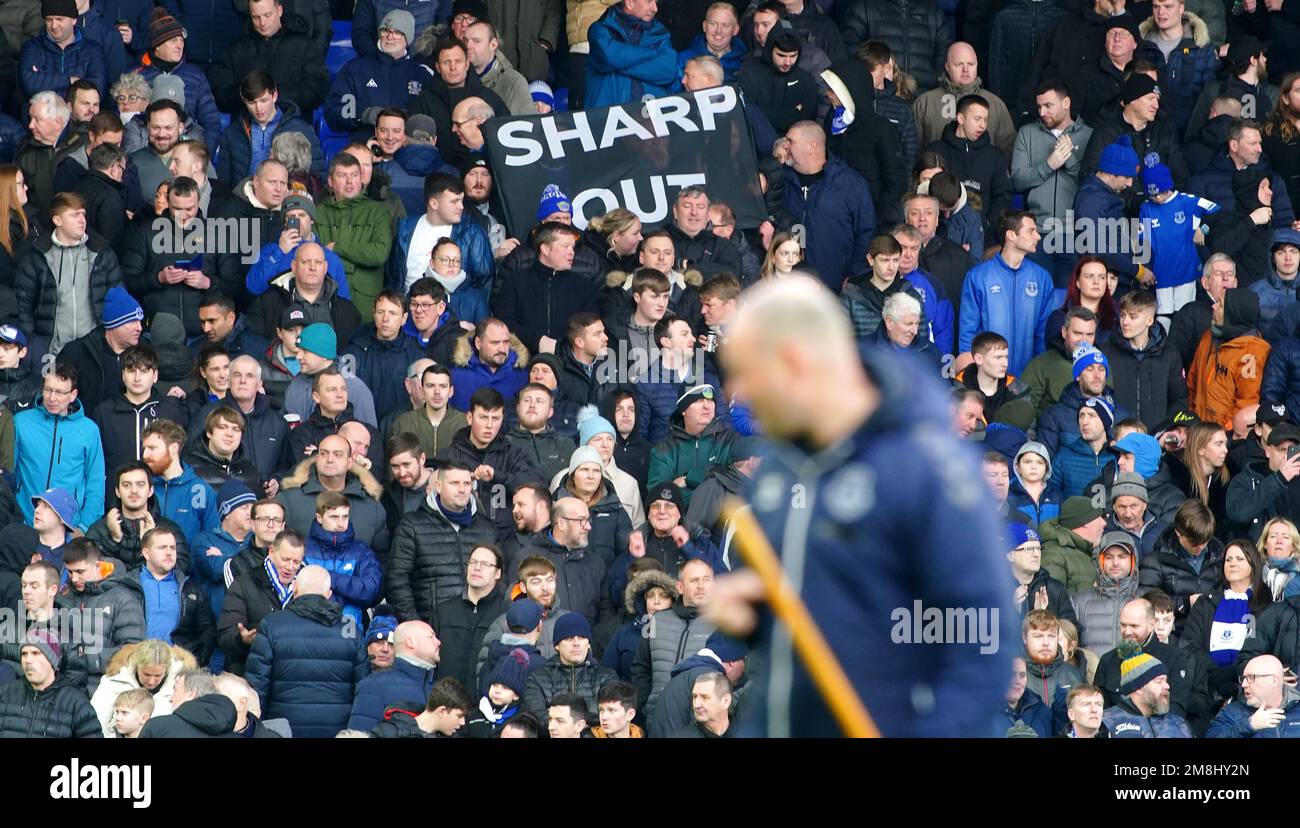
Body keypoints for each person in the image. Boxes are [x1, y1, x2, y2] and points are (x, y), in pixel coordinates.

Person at [244, 565, 366, 738]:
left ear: (294, 589)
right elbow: (362, 688)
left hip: (282, 729)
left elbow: (257, 685)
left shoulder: (272, 624)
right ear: (329, 594)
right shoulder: (350, 628)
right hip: (338, 728)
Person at [385, 460, 497, 624]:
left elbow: (500, 578)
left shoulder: (486, 528)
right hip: (432, 630)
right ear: (438, 486)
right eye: (455, 483)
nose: (462, 489)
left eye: (467, 483)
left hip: (481, 627)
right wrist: (416, 625)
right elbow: (397, 582)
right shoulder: (412, 526)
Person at [779, 120, 875, 293]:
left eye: (790, 141)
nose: (784, 146)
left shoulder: (850, 183)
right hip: (788, 287)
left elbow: (866, 231)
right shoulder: (780, 180)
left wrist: (855, 275)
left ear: (811, 146)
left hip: (835, 289)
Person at [957, 211, 1055, 376]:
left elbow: (1044, 333)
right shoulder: (978, 276)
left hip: (1028, 379)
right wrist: (971, 375)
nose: (1038, 236)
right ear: (1011, 235)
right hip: (987, 378)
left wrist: (1042, 374)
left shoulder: (1042, 278)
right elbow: (968, 331)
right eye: (1031, 231)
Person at [209, 0, 328, 116]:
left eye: (267, 15)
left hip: (292, 126)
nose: (262, 23)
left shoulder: (305, 46)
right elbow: (221, 97)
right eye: (256, 17)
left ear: (279, 10)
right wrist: (248, 93)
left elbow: (318, 90)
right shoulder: (237, 50)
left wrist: (276, 96)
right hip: (246, 129)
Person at [278, 433, 388, 555]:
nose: (329, 459)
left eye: (337, 455)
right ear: (317, 458)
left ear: (350, 462)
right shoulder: (288, 500)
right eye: (324, 454)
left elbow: (381, 557)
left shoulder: (372, 507)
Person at [217, 528, 304, 675]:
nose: (290, 567)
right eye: (285, 559)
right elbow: (225, 637)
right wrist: (242, 640)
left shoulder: (306, 587)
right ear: (271, 552)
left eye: (296, 562)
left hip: (291, 676)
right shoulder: (244, 584)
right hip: (249, 673)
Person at [1135, 0, 1220, 137]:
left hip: (1189, 137)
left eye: (1168, 6)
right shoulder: (1141, 46)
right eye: (1156, 6)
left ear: (1181, 8)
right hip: (1147, 135)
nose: (1161, 12)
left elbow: (1210, 99)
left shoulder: (1203, 49)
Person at [1189, 288, 1270, 430]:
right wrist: (1191, 421)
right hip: (1198, 430)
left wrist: (1222, 432)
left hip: (1224, 438)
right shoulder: (1208, 337)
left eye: (1220, 304)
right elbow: (1192, 382)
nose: (1213, 306)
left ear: (1233, 314)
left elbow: (1246, 403)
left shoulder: (1252, 353)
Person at [133, 527, 215, 663]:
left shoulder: (191, 589)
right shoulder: (128, 585)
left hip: (178, 668)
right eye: (162, 548)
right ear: (146, 553)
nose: (169, 553)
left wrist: (196, 662)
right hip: (137, 664)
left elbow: (207, 630)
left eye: (173, 548)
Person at [0, 630, 102, 738]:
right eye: (24, 654)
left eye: (35, 653)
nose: (28, 660)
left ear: (51, 659)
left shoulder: (76, 703)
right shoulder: (5, 694)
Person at [88, 639, 195, 737]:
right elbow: (96, 721)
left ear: (166, 669)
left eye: (158, 675)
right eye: (146, 674)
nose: (151, 681)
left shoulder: (182, 685)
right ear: (136, 666)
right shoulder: (115, 680)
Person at [346, 619, 440, 732]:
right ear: (411, 642)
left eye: (390, 644)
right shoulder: (373, 686)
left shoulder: (439, 688)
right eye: (431, 637)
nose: (438, 642)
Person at [521, 612, 617, 719]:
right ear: (556, 645)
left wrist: (559, 715)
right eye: (569, 638)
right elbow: (535, 716)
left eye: (581, 637)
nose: (576, 643)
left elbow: (612, 713)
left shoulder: (606, 676)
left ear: (589, 643)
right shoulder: (538, 678)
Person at [583, 0, 677, 109]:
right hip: (607, 119)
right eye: (649, 1)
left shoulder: (661, 33)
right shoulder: (600, 29)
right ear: (629, 2)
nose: (655, 8)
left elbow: (668, 70)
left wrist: (616, 64)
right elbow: (609, 57)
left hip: (650, 119)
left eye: (656, 2)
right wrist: (652, 53)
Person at [1100, 642, 1193, 737]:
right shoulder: (1107, 723)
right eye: (1159, 681)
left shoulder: (1178, 724)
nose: (1167, 686)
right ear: (1138, 688)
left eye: (1165, 680)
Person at [1206, 654, 1300, 737]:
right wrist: (1249, 725)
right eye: (1243, 678)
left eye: (1251, 677)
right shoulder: (1231, 712)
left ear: (1274, 680)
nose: (1244, 684)